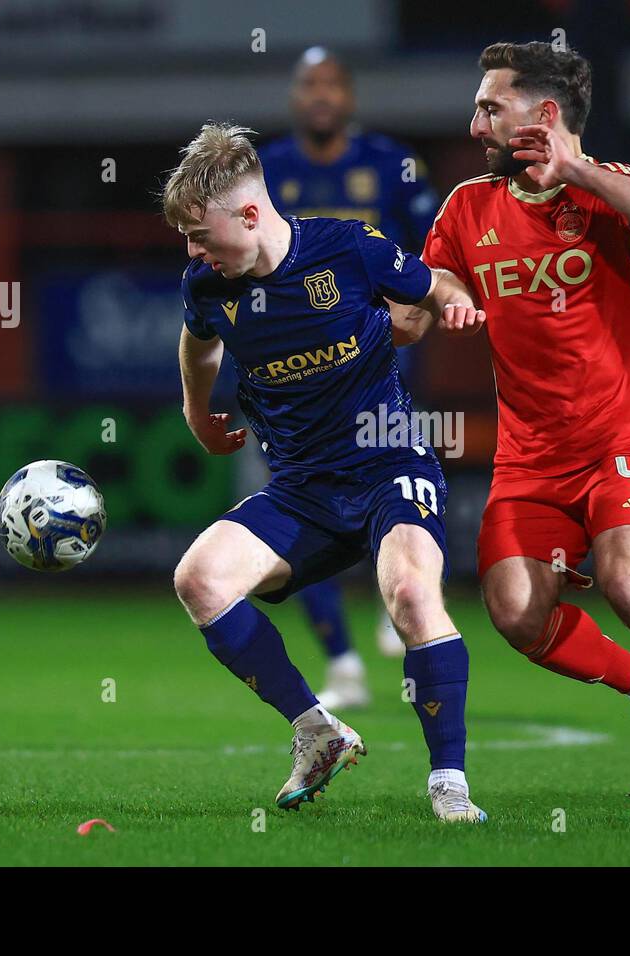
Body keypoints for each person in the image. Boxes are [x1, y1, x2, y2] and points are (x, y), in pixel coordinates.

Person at [409, 42, 630, 818]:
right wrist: (441, 296)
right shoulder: (468, 206)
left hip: (622, 435)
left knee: (629, 582)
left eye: (490, 107)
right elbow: (428, 284)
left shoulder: (605, 190)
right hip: (529, 458)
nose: (474, 121)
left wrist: (576, 170)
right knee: (515, 611)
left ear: (543, 117)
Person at [165, 123, 487, 822]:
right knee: (200, 580)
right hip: (302, 491)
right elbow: (197, 345)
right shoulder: (207, 284)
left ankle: (449, 785)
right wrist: (197, 414)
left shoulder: (347, 249)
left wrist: (452, 306)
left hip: (389, 464)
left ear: (250, 214)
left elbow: (435, 287)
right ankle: (317, 731)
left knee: (407, 591)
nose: (193, 251)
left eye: (200, 233)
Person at [254, 47, 445, 707]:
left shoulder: (392, 163)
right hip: (292, 372)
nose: (321, 96)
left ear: (350, 97)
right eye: (309, 85)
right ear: (294, 96)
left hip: (376, 363)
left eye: (333, 84)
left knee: (378, 489)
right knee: (303, 500)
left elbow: (436, 249)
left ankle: (398, 599)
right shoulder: (268, 169)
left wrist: (415, 304)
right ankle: (343, 664)